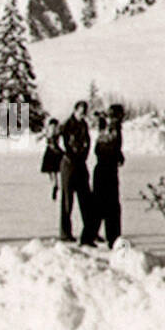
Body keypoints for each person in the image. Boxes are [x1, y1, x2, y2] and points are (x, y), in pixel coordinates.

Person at [58, 100, 97, 245]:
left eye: (84, 112)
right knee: (68, 200)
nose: (82, 115)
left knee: (86, 199)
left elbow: (87, 143)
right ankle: (65, 233)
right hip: (69, 165)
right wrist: (71, 157)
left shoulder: (84, 125)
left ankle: (90, 232)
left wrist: (83, 157)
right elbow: (62, 144)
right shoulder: (67, 125)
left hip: (81, 165)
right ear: (75, 110)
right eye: (80, 112)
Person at [87, 104, 125, 248]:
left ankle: (111, 237)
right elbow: (101, 148)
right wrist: (115, 155)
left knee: (108, 206)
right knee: (104, 206)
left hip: (108, 169)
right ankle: (97, 236)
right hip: (105, 170)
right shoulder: (110, 129)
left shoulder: (114, 128)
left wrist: (119, 155)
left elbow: (111, 146)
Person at [39, 117, 63, 200]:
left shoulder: (48, 130)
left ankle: (54, 184)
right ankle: (55, 183)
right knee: (56, 170)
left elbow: (42, 136)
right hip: (57, 151)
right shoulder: (58, 130)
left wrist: (41, 137)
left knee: (51, 170)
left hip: (50, 151)